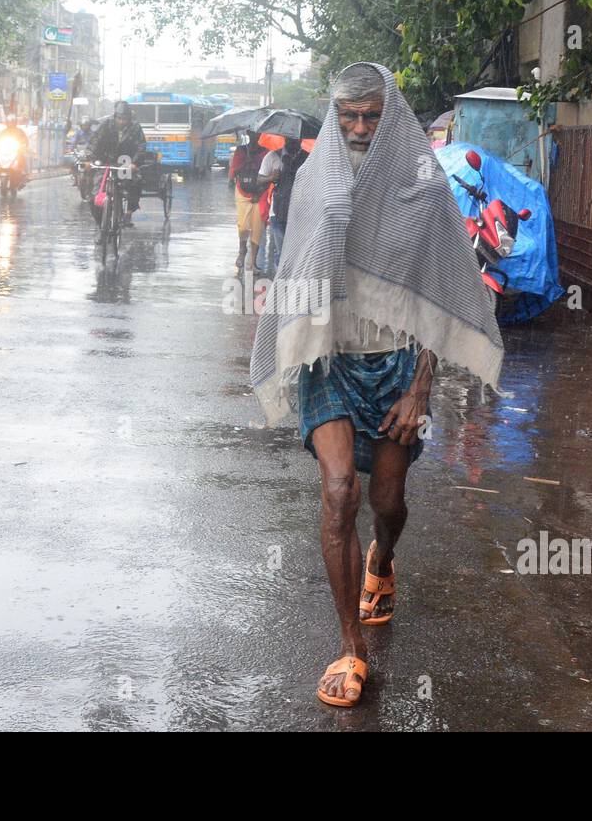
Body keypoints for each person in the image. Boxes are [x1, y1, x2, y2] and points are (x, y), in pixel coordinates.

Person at [249, 63, 504, 708]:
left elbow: (442, 291)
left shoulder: (420, 185)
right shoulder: (314, 178)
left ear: (390, 116)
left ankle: (383, 562)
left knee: (387, 501)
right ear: (334, 118)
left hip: (396, 365)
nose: (360, 127)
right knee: (340, 491)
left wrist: (420, 389)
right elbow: (297, 261)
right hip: (328, 359)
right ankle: (350, 649)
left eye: (371, 115)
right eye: (348, 116)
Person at [91, 101, 146, 227]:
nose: (122, 122)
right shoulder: (106, 124)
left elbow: (141, 146)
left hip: (126, 162)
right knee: (94, 195)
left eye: (124, 119)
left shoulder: (135, 127)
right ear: (115, 117)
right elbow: (95, 141)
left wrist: (135, 163)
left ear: (129, 118)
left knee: (134, 184)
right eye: (119, 118)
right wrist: (90, 158)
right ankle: (100, 225)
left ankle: (128, 213)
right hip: (106, 162)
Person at [257, 137, 305, 275]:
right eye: (291, 140)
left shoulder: (307, 159)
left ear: (301, 140)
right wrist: (271, 178)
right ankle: (281, 281)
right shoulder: (272, 157)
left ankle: (292, 280)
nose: (294, 143)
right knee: (281, 250)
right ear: (285, 139)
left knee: (297, 251)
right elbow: (260, 179)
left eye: (297, 140)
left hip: (300, 213)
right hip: (278, 213)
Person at [229, 132, 268, 275]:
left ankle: (253, 261)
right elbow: (233, 173)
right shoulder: (241, 151)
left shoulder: (265, 153)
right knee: (244, 225)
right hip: (242, 190)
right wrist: (247, 161)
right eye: (252, 134)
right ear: (248, 134)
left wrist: (259, 194)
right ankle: (242, 249)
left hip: (260, 192)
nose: (254, 136)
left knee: (257, 228)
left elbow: (268, 176)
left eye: (257, 134)